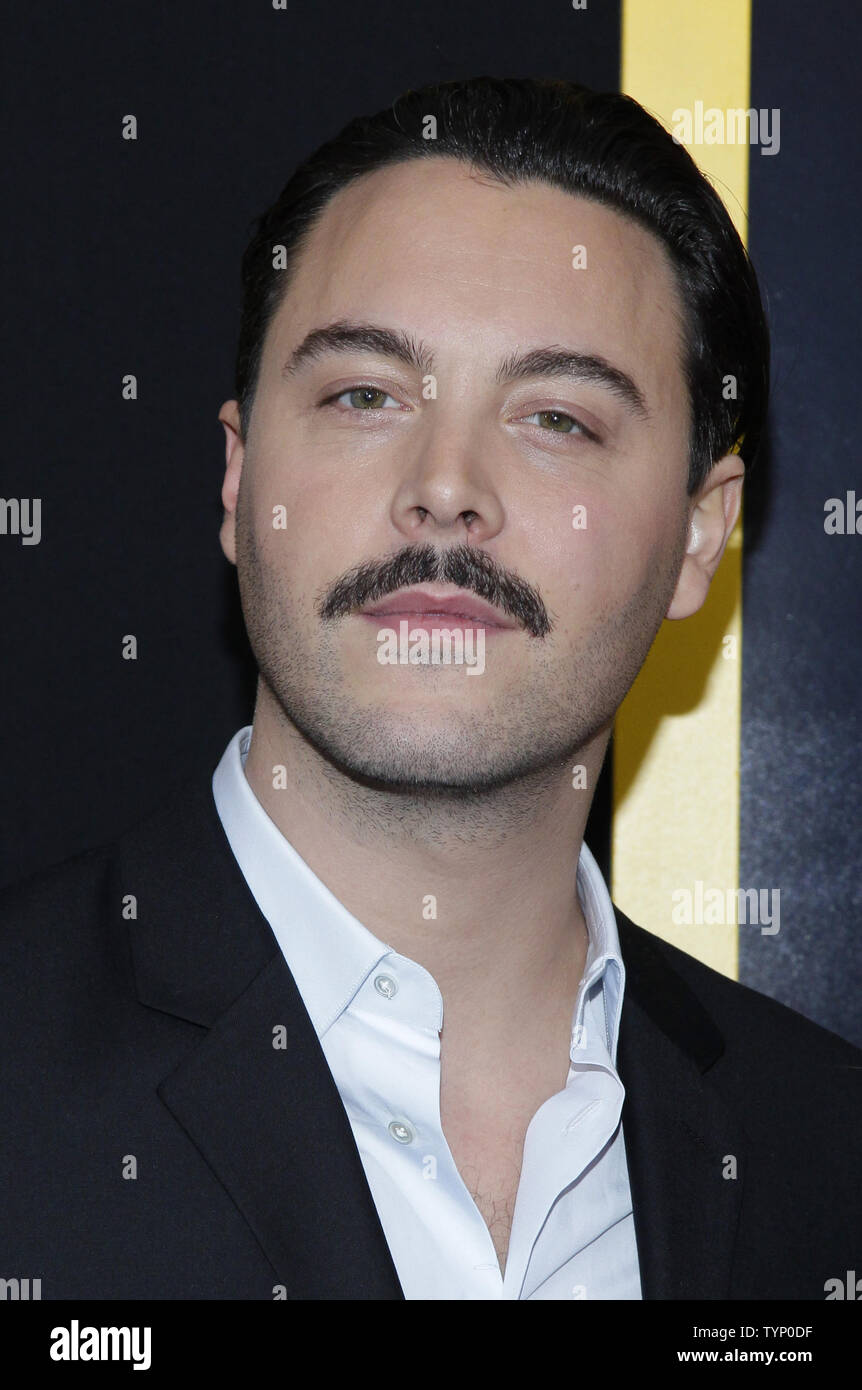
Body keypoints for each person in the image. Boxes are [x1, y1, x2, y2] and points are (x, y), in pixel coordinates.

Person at [1, 76, 859, 1302]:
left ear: (697, 536)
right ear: (240, 480)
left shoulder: (826, 1158)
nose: (446, 484)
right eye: (365, 395)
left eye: (556, 417)